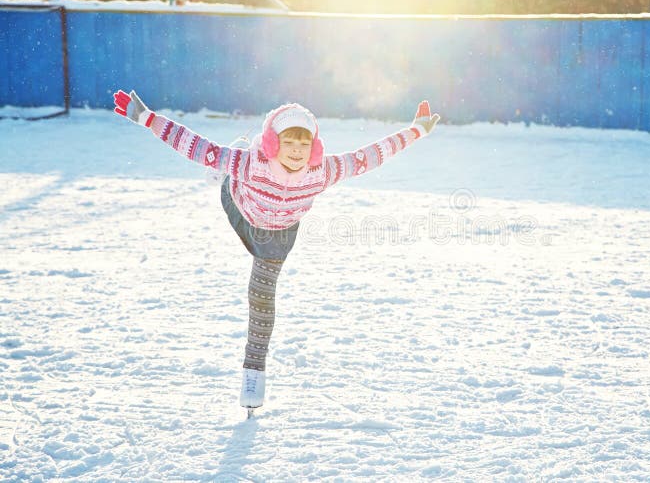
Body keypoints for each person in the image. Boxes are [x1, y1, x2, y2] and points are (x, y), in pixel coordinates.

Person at [112, 90, 440, 411]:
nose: (297, 151)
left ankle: (253, 373)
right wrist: (148, 118)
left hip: (277, 237)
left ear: (313, 148)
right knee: (225, 170)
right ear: (272, 143)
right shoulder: (249, 164)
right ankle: (224, 175)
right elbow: (198, 147)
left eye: (304, 144)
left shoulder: (322, 171)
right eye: (289, 142)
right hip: (240, 208)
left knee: (261, 298)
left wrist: (416, 130)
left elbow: (372, 155)